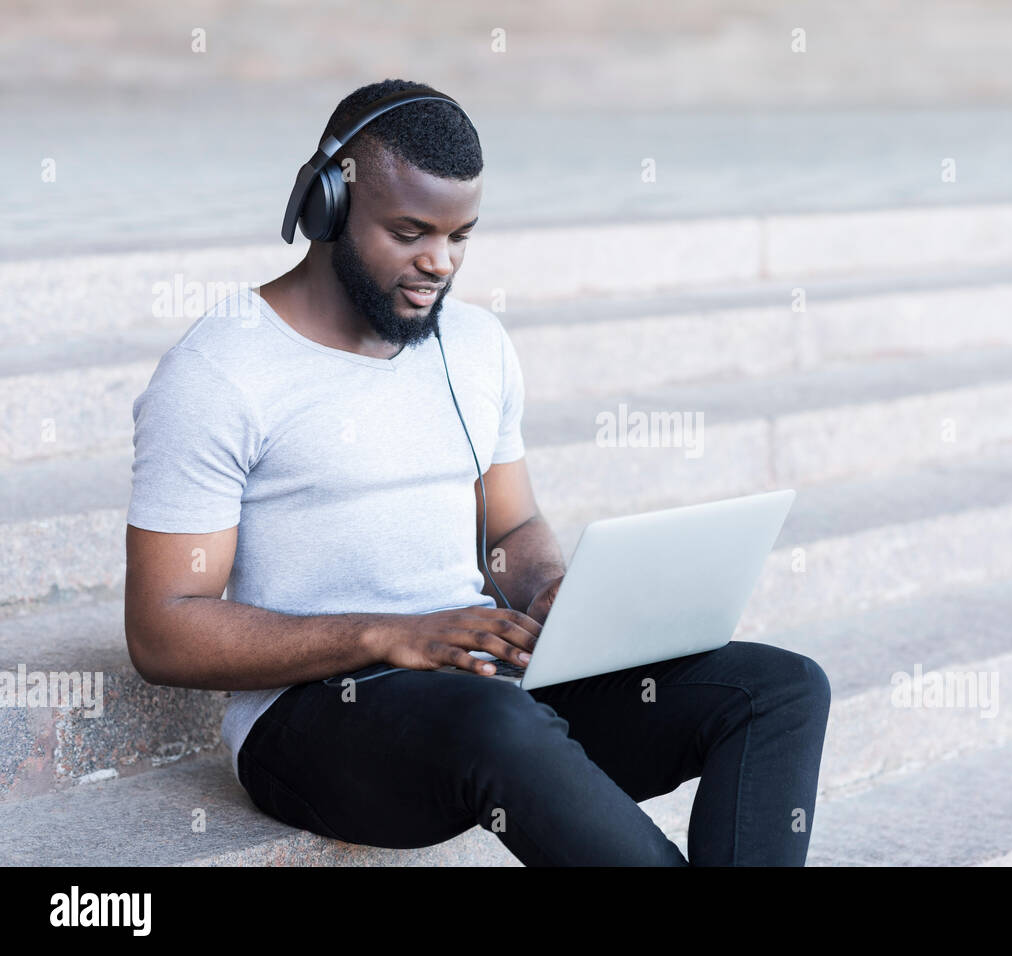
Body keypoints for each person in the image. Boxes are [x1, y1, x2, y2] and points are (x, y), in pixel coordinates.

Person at [125, 78, 831, 866]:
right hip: (315, 719)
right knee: (498, 724)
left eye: (460, 237)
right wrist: (387, 635)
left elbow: (514, 525)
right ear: (326, 207)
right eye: (409, 231)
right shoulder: (218, 373)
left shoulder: (476, 343)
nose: (439, 263)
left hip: (479, 678)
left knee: (780, 689)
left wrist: (549, 591)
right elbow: (163, 630)